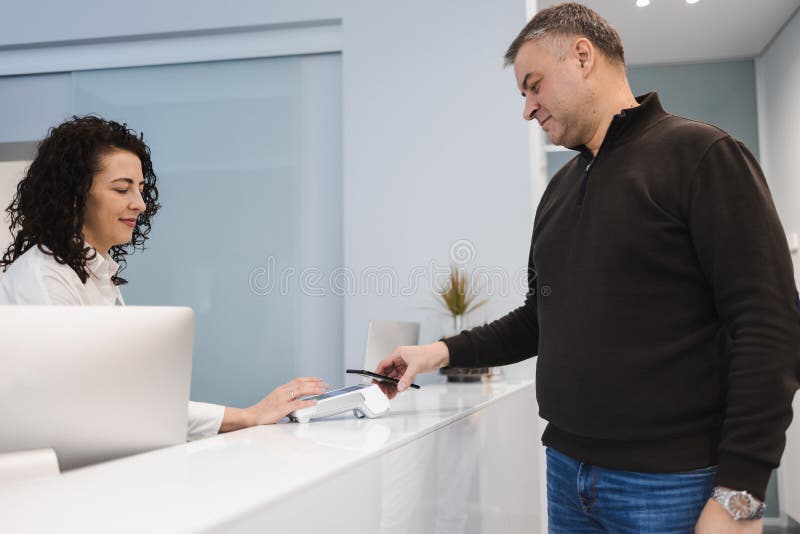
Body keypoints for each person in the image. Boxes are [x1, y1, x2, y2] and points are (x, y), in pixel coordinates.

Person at [375, 3, 800, 533]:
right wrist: (436, 353)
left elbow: (770, 327)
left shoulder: (702, 155)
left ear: (582, 56)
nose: (527, 109)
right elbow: (539, 318)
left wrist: (741, 491)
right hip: (567, 475)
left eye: (533, 86)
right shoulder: (559, 190)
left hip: (671, 482)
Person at [0, 116, 325, 441]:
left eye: (140, 189)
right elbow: (89, 401)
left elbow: (124, 401)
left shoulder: (94, 272)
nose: (139, 204)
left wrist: (244, 416)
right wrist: (245, 416)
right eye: (122, 189)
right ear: (74, 194)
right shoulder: (45, 276)